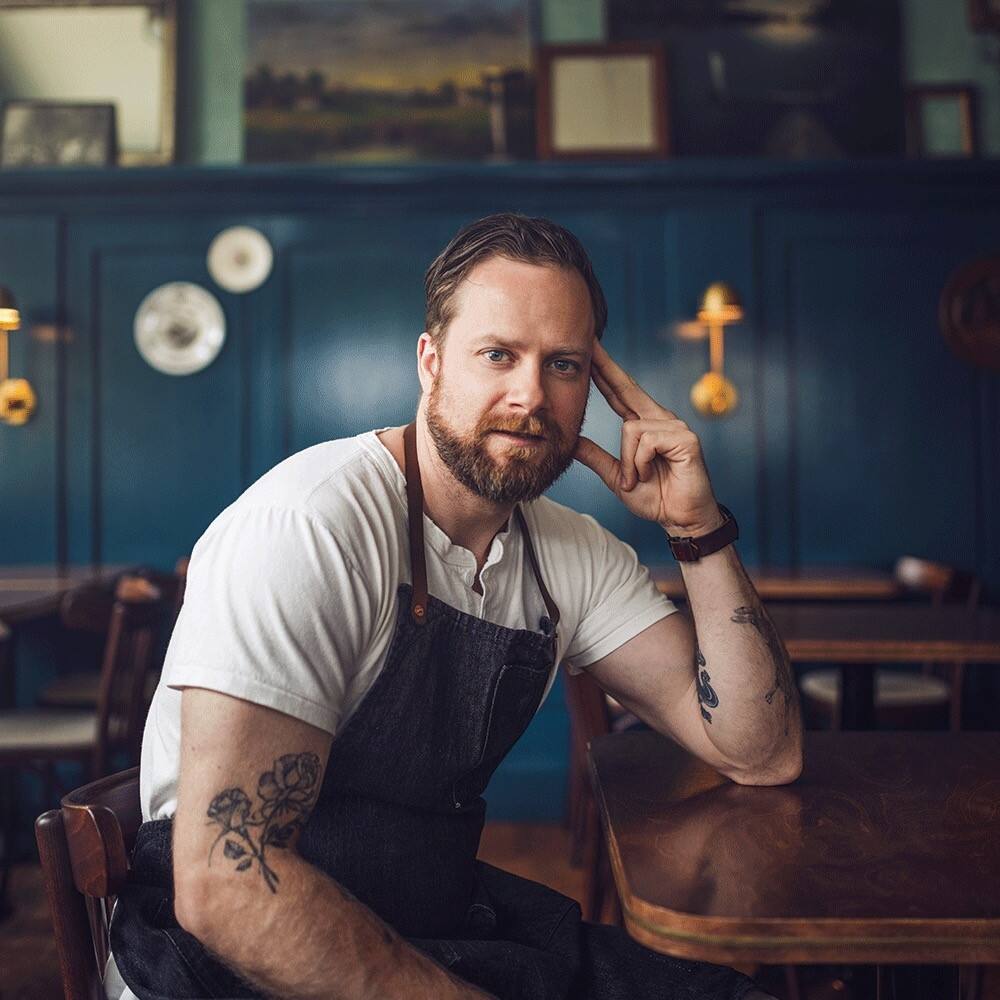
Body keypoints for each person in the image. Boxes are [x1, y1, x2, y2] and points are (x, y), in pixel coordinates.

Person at [108, 212, 800, 1000]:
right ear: (431, 362)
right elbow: (224, 885)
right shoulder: (307, 527)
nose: (530, 396)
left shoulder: (569, 553)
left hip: (423, 919)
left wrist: (696, 531)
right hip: (220, 960)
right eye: (498, 355)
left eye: (564, 365)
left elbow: (759, 751)